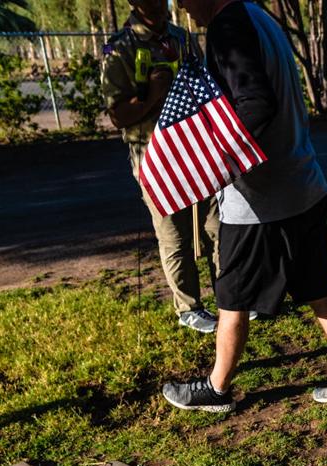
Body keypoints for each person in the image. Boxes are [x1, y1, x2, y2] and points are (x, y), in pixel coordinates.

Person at [161, 0, 327, 412]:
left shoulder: (227, 25)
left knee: (231, 298)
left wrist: (217, 164)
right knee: (318, 288)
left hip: (258, 203)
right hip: (304, 184)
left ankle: (217, 389)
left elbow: (256, 102)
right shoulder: (259, 16)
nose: (182, 5)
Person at [102, 0, 221, 334]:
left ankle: (230, 298)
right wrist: (153, 94)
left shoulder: (182, 39)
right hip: (155, 157)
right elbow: (118, 116)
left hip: (195, 148)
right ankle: (189, 308)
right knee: (175, 235)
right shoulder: (120, 48)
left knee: (217, 226)